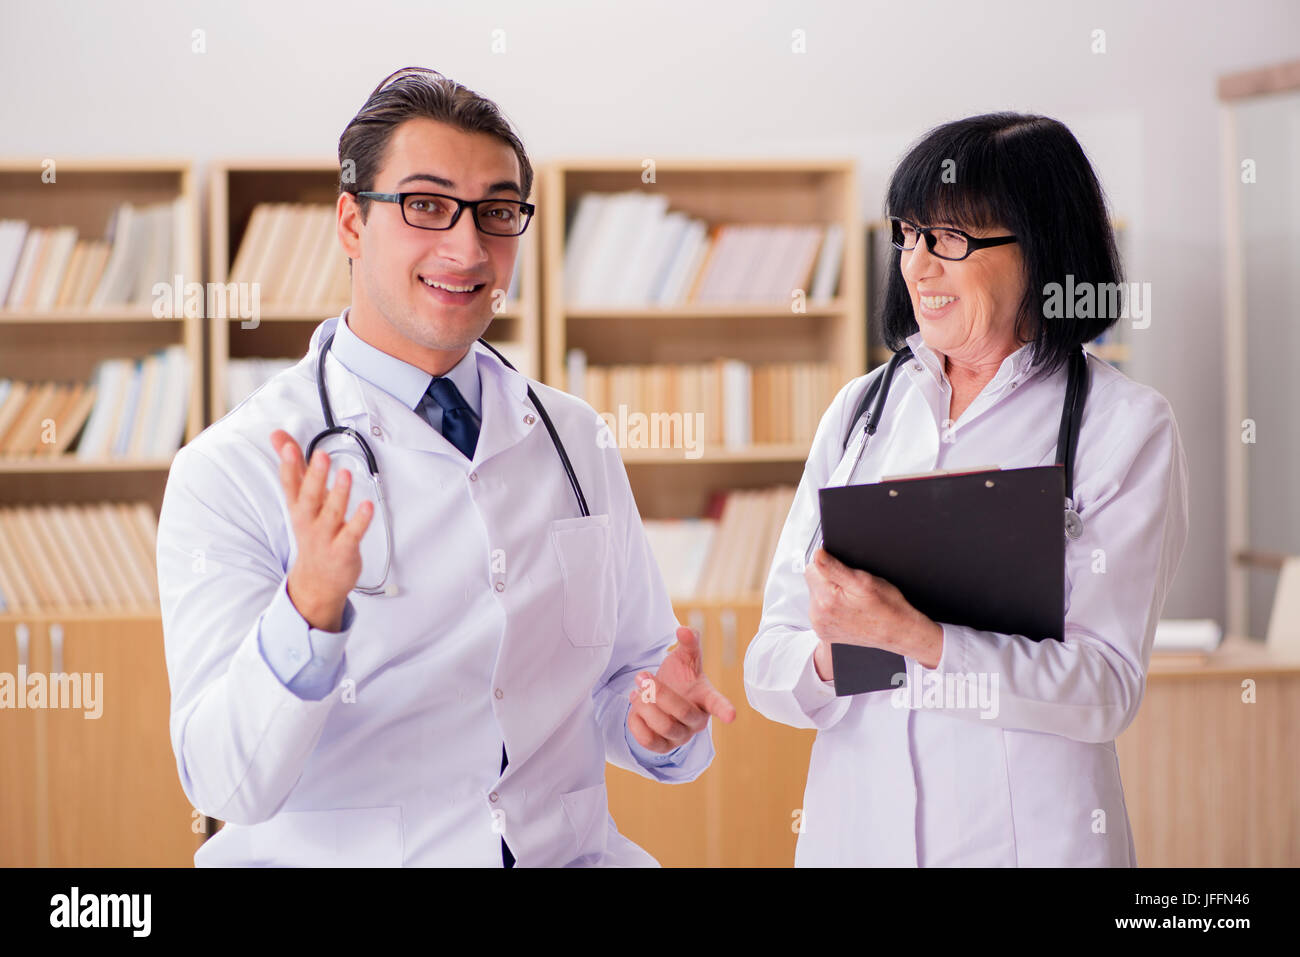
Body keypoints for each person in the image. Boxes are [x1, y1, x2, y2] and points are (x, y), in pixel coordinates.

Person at [157, 66, 734, 867]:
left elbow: (629, 676)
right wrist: (309, 609)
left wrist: (655, 720)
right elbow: (227, 784)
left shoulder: (573, 439)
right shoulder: (230, 469)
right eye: (426, 206)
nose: (467, 248)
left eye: (497, 213)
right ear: (352, 223)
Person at [744, 112, 1189, 866]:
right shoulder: (860, 411)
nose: (918, 266)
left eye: (950, 240)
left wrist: (916, 637)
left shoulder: (1123, 426)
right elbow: (767, 664)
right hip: (858, 838)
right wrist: (830, 651)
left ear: (1042, 248)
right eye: (910, 235)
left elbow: (1105, 687)